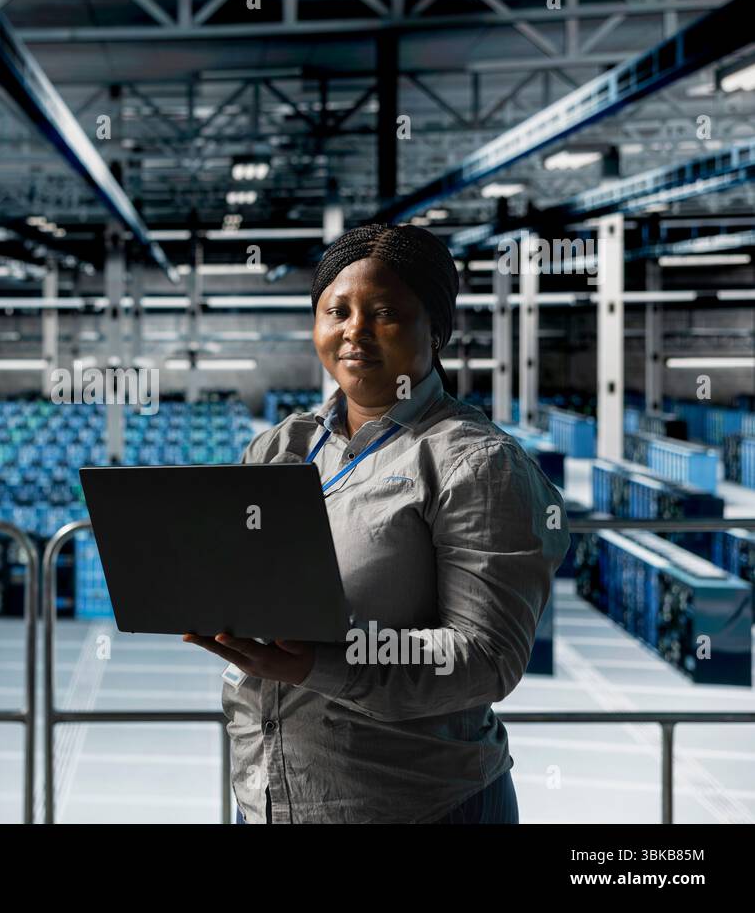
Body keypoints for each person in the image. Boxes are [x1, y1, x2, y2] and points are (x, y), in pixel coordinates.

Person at [185, 222, 570, 823]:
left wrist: (321, 664)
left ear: (435, 330)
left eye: (385, 311)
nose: (354, 332)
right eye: (336, 310)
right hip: (268, 797)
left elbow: (487, 656)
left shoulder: (475, 464)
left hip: (417, 807)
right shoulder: (284, 447)